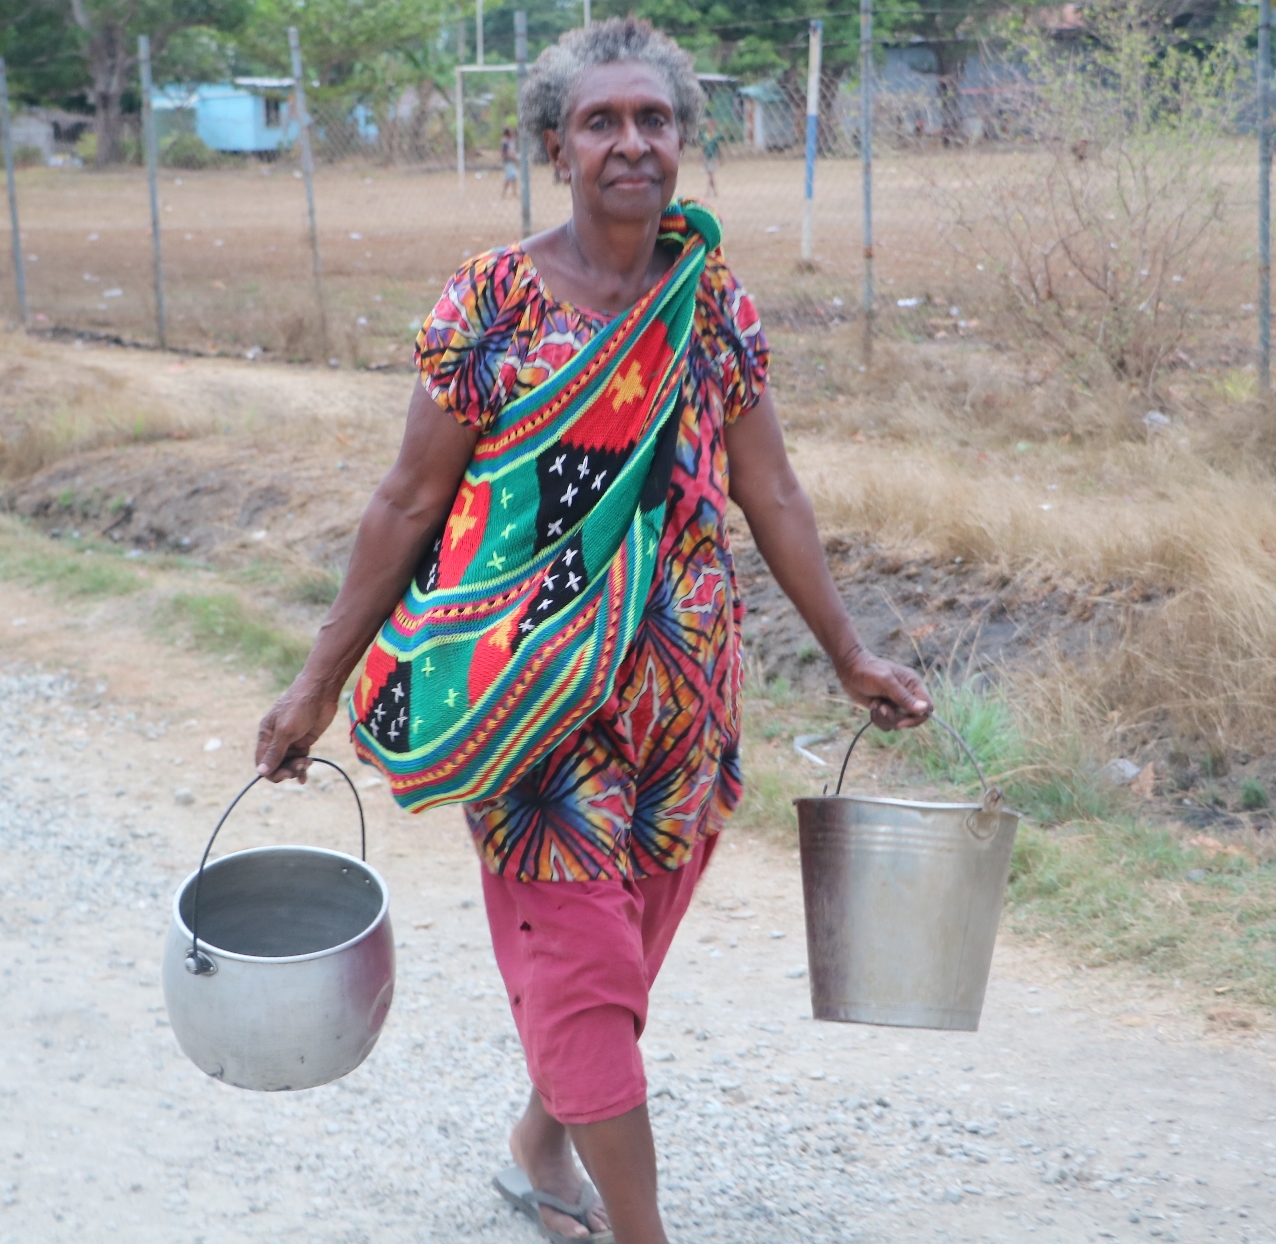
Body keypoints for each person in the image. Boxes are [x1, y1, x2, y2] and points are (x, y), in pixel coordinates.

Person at [255, 18, 931, 1244]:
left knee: (615, 964)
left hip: (683, 693)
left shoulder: (708, 298)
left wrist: (848, 653)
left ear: (683, 140)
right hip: (525, 706)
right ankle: (641, 1230)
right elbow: (408, 499)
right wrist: (314, 686)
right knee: (579, 971)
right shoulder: (494, 302)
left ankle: (537, 1145)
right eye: (600, 122)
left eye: (653, 120)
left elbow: (767, 489)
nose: (631, 143)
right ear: (553, 147)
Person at [701, 116, 720, 195]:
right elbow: (702, 147)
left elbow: (718, 147)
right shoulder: (705, 135)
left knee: (710, 174)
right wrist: (699, 158)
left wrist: (720, 158)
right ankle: (713, 191)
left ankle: (710, 191)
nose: (710, 126)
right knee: (710, 174)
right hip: (706, 157)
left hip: (712, 157)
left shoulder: (715, 135)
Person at [502, 125, 520, 199]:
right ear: (508, 134)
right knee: (509, 178)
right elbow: (503, 153)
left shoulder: (511, 141)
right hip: (508, 162)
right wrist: (511, 157)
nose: (512, 133)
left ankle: (514, 192)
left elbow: (513, 151)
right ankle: (503, 193)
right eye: (510, 132)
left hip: (512, 161)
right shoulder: (505, 142)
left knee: (514, 177)